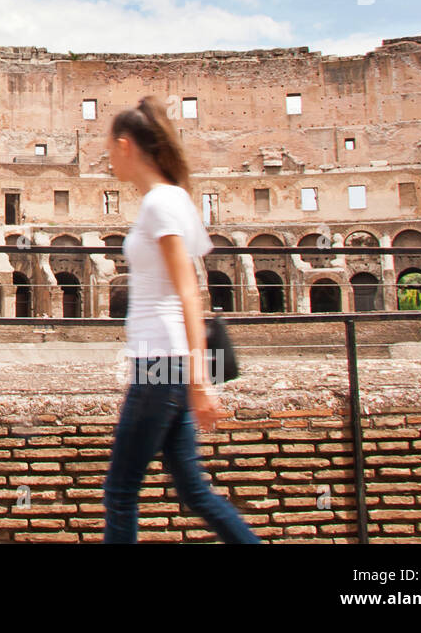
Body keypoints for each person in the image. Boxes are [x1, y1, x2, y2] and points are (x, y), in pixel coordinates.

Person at [101, 96, 260, 544]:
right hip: (166, 360)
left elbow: (189, 290)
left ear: (125, 145)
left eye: (110, 149)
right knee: (192, 489)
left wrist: (199, 381)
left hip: (161, 361)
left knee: (119, 491)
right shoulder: (173, 199)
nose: (108, 159)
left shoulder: (160, 204)